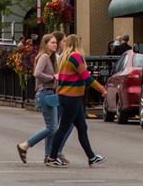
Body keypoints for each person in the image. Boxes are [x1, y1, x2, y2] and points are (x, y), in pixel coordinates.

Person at [46, 34, 106, 168]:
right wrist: (102, 90)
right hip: (71, 97)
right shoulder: (75, 57)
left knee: (82, 127)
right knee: (63, 128)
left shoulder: (63, 57)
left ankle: (91, 157)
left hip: (68, 96)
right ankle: (52, 157)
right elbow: (87, 78)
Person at [17, 32, 61, 164]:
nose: (55, 44)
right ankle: (25, 145)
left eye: (55, 42)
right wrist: (52, 78)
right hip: (44, 93)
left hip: (50, 93)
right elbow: (37, 73)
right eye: (52, 42)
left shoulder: (49, 58)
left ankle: (48, 155)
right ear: (46, 44)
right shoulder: (44, 57)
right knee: (51, 127)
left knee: (52, 127)